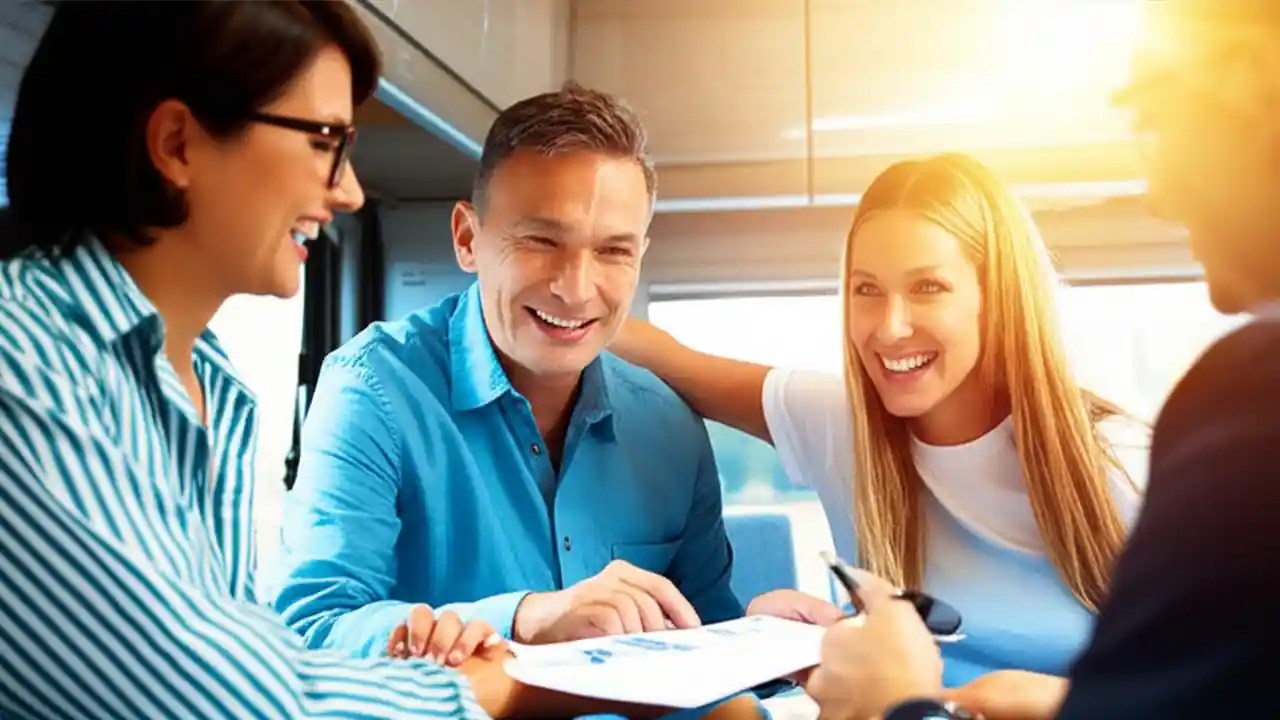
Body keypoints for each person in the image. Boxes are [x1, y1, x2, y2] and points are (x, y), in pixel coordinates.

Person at [0, 4, 762, 719]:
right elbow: (246, 692)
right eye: (324, 142)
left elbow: (234, 656)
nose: (351, 193)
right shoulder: (27, 369)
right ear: (177, 144)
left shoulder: (208, 382)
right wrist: (522, 653)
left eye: (613, 251)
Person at [803, 2, 1280, 718]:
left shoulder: (1240, 404)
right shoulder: (842, 425)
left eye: (1162, 124)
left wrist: (901, 703)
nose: (1160, 196)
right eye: (866, 289)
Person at [608, 153, 1149, 699]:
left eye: (928, 288)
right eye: (867, 290)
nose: (889, 329)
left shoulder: (1121, 463)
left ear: (999, 298)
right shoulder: (842, 425)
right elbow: (667, 359)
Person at [267, 84, 744, 665]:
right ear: (468, 239)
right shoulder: (371, 390)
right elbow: (310, 629)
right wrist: (523, 618)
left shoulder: (671, 426)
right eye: (542, 241)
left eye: (613, 252)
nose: (575, 288)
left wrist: (775, 639)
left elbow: (712, 641)